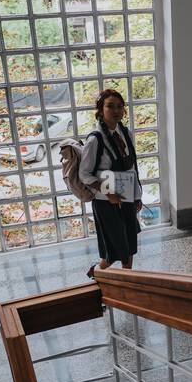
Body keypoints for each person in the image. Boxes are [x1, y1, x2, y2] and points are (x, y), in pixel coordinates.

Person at [81, 89, 142, 277]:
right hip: (106, 203)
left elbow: (132, 167)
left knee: (130, 245)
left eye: (119, 106)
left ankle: (127, 282)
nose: (115, 110)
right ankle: (97, 272)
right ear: (100, 110)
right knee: (115, 249)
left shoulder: (126, 133)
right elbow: (84, 173)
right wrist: (109, 193)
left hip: (127, 197)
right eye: (110, 106)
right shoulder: (95, 139)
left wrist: (137, 197)